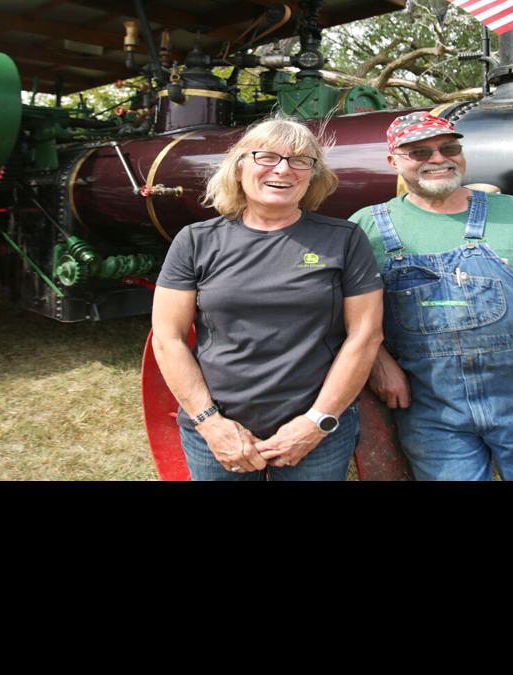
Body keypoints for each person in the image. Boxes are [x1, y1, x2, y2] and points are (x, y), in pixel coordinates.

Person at [348, 112, 513, 481]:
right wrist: (379, 362)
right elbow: (351, 313)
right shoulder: (368, 227)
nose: (438, 159)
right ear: (393, 162)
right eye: (419, 152)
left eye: (448, 148)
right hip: (431, 408)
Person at [151, 117, 384, 480]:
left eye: (300, 161)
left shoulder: (345, 240)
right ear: (239, 166)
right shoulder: (195, 241)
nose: (284, 169)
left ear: (311, 175)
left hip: (316, 430)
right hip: (217, 428)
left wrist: (316, 422)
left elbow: (365, 336)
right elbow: (168, 339)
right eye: (267, 157)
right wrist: (210, 423)